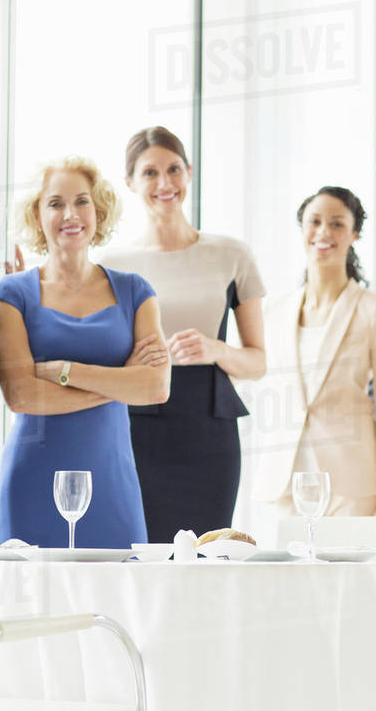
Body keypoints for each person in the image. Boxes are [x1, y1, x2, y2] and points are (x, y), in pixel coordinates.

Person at [0, 155, 170, 548]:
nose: (70, 214)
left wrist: (63, 370)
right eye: (55, 203)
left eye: (82, 201)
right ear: (37, 216)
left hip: (111, 479)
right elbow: (21, 396)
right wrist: (122, 381)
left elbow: (155, 388)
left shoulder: (135, 291)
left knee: (121, 602)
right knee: (33, 604)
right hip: (33, 477)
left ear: (98, 210)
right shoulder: (12, 294)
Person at [98, 126, 266, 541]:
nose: (165, 183)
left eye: (174, 169)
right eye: (150, 173)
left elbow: (258, 362)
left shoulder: (232, 254)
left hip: (209, 432)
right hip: (136, 430)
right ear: (130, 183)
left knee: (209, 556)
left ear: (189, 172)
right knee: (140, 555)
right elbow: (95, 354)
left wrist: (214, 348)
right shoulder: (112, 264)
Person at [251, 187, 376, 520]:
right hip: (281, 486)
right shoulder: (273, 310)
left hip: (351, 489)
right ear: (302, 230)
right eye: (315, 222)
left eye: (337, 224)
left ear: (354, 234)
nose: (324, 232)